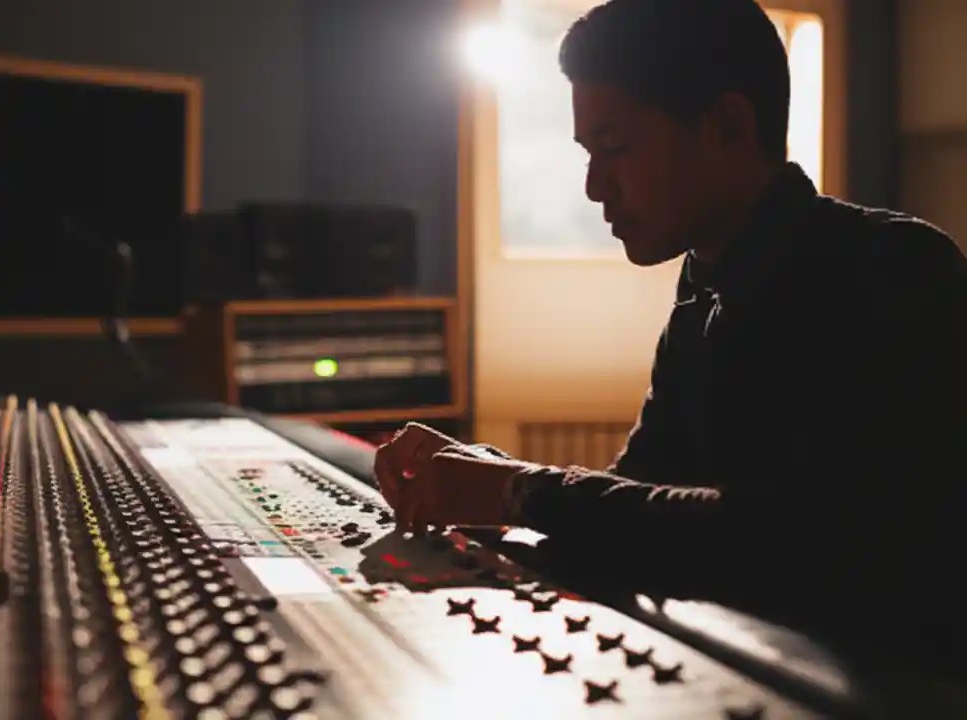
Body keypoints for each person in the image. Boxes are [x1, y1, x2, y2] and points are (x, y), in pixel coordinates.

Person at [376, 0, 967, 609]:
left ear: (729, 125)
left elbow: (792, 538)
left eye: (615, 148)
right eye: (588, 153)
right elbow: (635, 500)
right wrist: (483, 479)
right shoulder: (707, 276)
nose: (593, 186)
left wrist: (518, 492)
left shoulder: (894, 268)